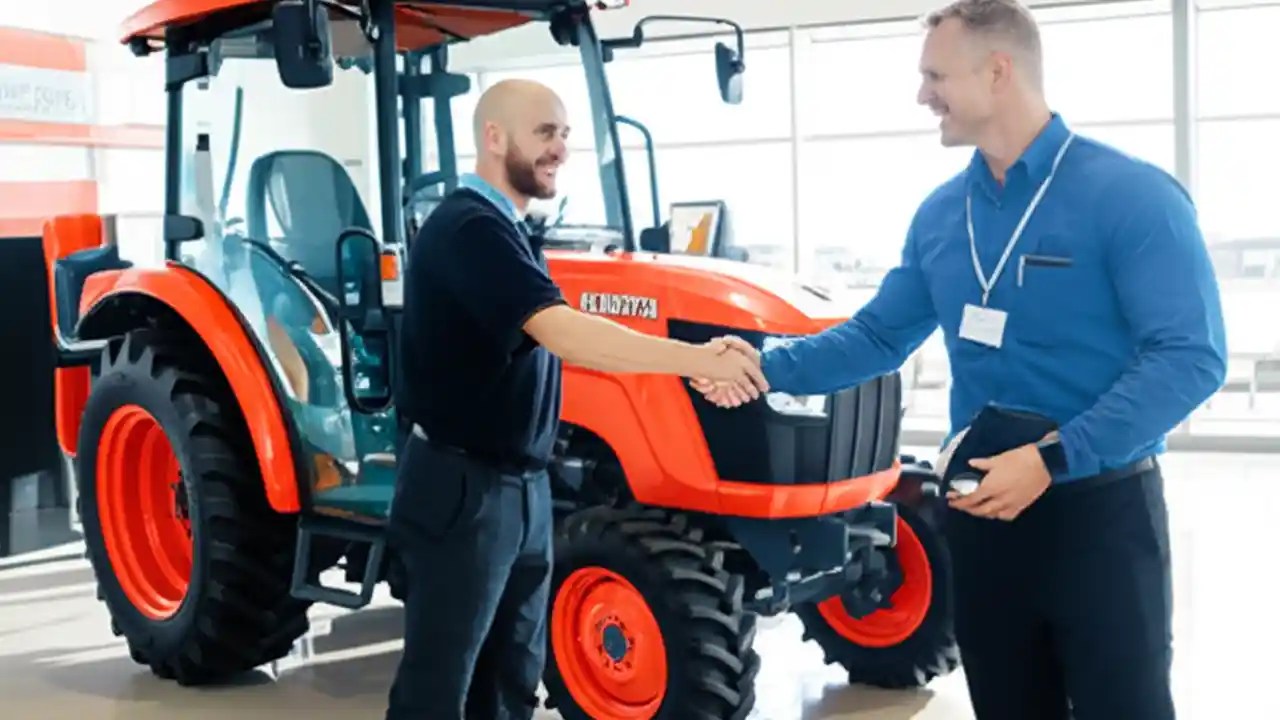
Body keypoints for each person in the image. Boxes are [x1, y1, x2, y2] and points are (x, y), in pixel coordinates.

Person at [696, 1, 1226, 718]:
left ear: (998, 71)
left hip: (1096, 518)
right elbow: (879, 336)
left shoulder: (1132, 198)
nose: (922, 95)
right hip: (979, 518)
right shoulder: (943, 215)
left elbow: (1190, 359)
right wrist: (759, 363)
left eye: (934, 75)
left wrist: (1051, 459)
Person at [385, 77, 767, 720]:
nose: (560, 148)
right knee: (440, 683)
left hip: (521, 486)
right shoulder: (468, 228)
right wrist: (695, 359)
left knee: (511, 674)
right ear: (493, 137)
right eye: (544, 133)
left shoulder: (512, 228)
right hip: (464, 489)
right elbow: (561, 331)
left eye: (565, 134)